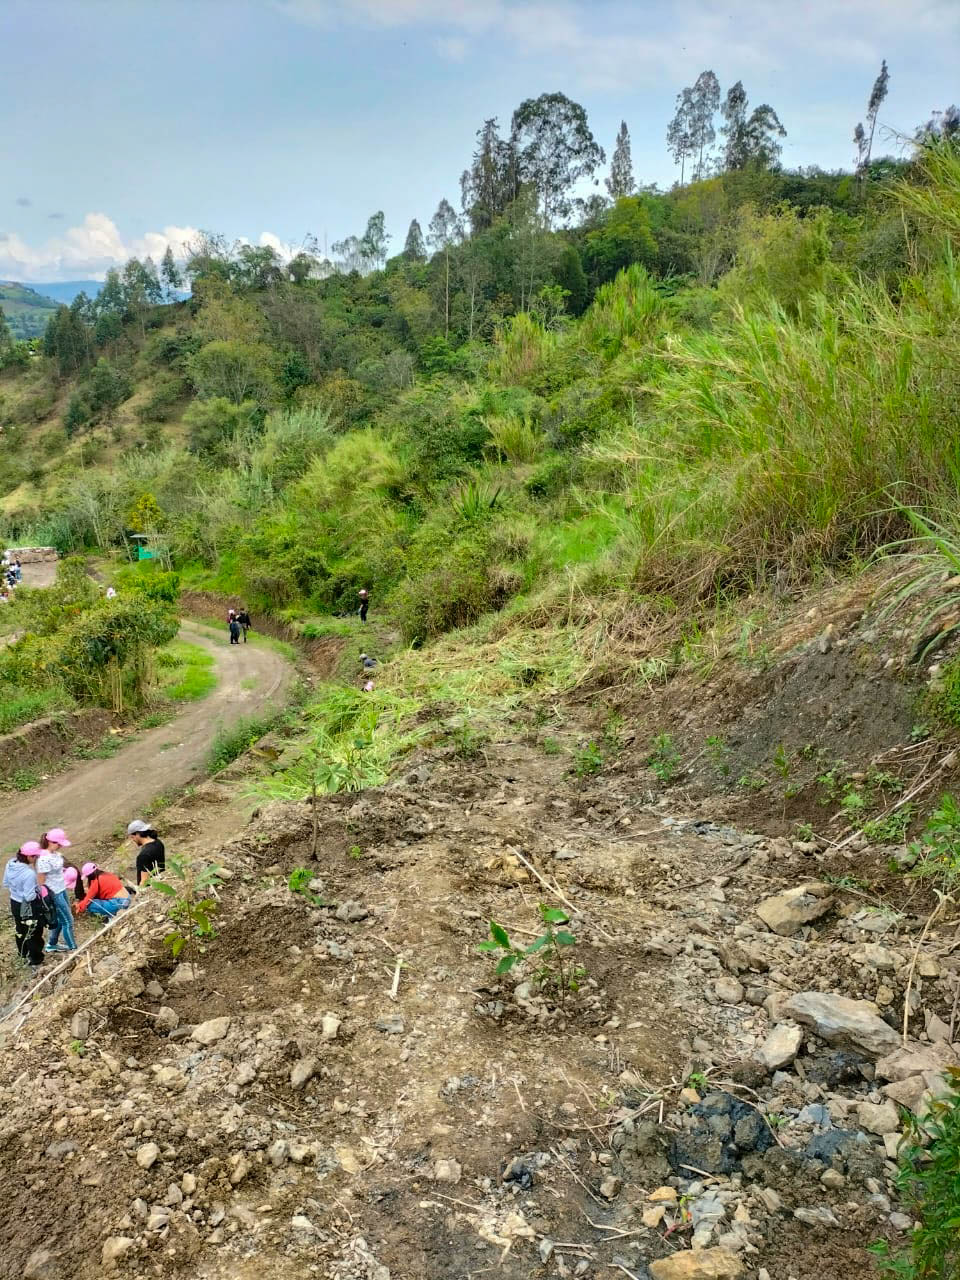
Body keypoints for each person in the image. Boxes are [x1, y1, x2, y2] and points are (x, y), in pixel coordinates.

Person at [3, 842, 45, 969]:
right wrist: (38, 889)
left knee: (20, 928)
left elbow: (5, 883)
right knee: (33, 931)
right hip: (26, 904)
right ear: (28, 857)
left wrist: (16, 889)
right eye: (35, 856)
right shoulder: (29, 874)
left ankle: (23, 953)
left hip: (14, 902)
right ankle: (36, 959)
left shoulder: (10, 864)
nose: (36, 859)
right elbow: (29, 896)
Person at [37, 828, 77, 953]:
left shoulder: (56, 855)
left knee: (61, 920)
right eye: (59, 844)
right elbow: (41, 881)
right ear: (51, 842)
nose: (60, 847)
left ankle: (52, 944)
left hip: (62, 889)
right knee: (68, 921)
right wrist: (45, 900)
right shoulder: (43, 859)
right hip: (54, 893)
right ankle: (73, 948)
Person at [127, 819, 165, 885]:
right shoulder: (158, 842)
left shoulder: (143, 855)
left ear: (138, 834)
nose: (133, 840)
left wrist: (139, 892)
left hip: (151, 887)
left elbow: (144, 882)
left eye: (132, 837)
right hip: (160, 881)